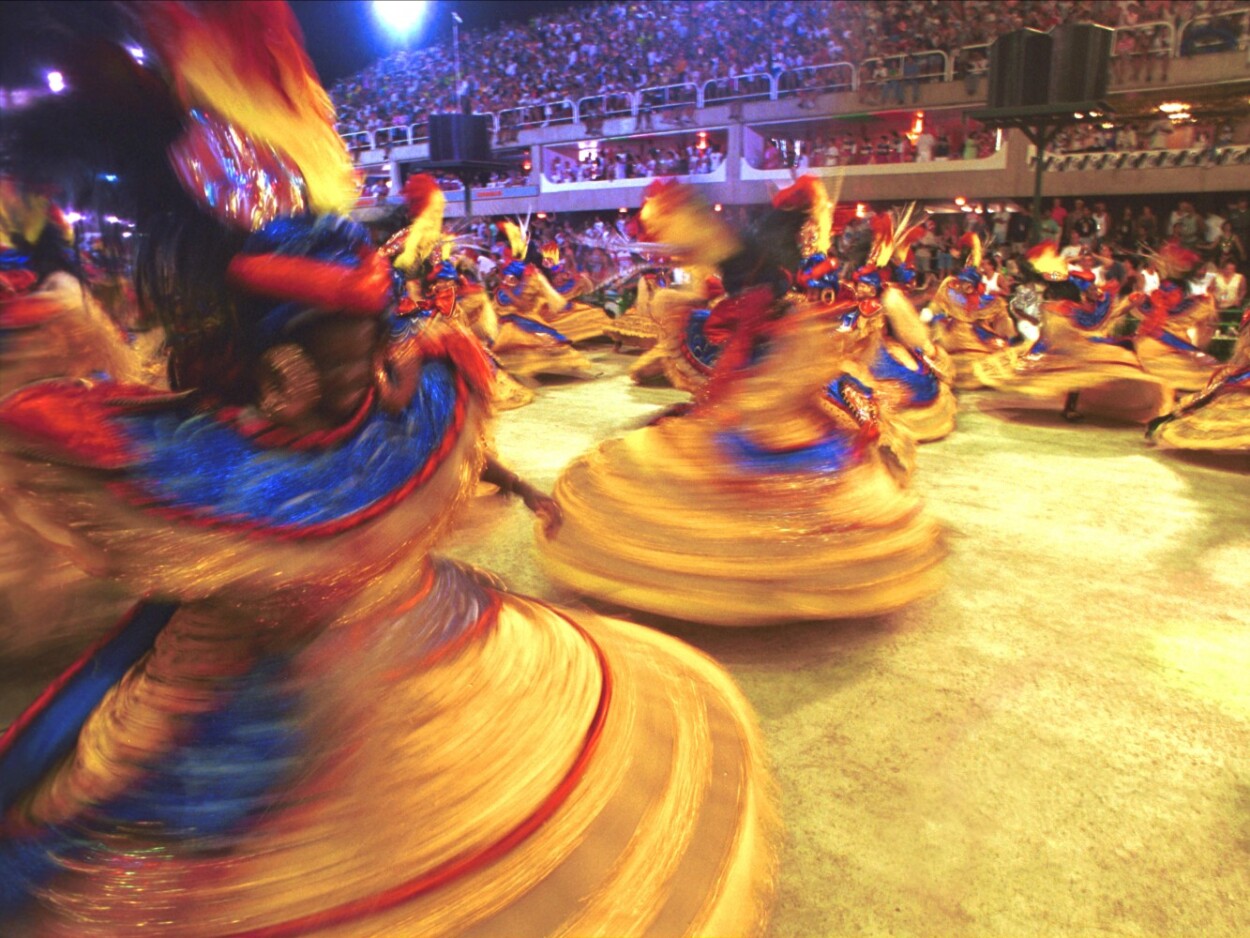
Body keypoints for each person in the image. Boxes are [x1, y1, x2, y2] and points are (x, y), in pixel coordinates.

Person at [0, 16, 776, 934]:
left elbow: (390, 387)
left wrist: (504, 474)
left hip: (371, 631)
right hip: (272, 644)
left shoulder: (393, 396)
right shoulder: (247, 435)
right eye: (335, 351)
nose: (354, 368)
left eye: (364, 344)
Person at [540, 178, 945, 625]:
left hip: (781, 393)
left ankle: (776, 565)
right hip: (768, 378)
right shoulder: (760, 303)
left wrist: (739, 403)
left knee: (725, 454)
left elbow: (776, 380)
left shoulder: (790, 318)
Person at [975, 243, 1172, 424]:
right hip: (1063, 326)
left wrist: (1123, 302)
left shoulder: (1095, 287)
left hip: (1075, 331)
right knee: (1060, 361)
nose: (1087, 260)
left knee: (1083, 364)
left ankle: (1071, 406)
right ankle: (1066, 404)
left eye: (1089, 258)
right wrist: (1061, 268)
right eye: (1084, 258)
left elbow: (1106, 304)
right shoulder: (1070, 278)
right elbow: (1051, 277)